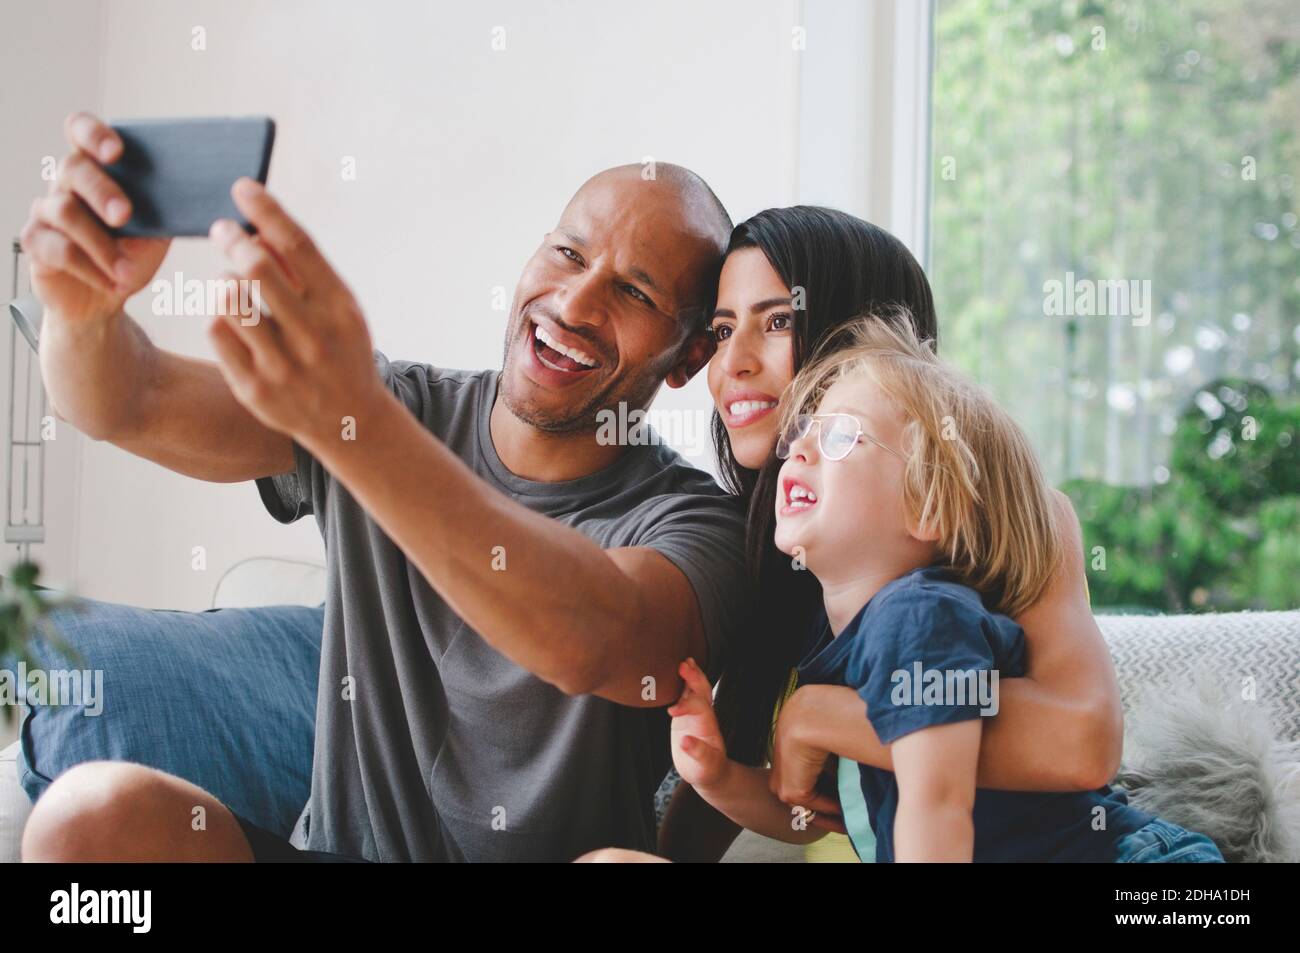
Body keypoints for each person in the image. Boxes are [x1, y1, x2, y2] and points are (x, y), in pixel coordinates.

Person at [19, 112, 752, 862]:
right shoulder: (392, 405)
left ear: (688, 355)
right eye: (568, 253)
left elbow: (593, 640)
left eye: (633, 291)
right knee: (88, 817)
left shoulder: (702, 525)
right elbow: (127, 398)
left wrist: (359, 425)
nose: (576, 304)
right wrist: (83, 310)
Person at [658, 315, 1224, 862]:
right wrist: (718, 776)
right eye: (803, 432)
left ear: (929, 504)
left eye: (839, 437)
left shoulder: (920, 618)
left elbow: (939, 804)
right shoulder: (837, 645)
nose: (799, 449)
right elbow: (824, 814)